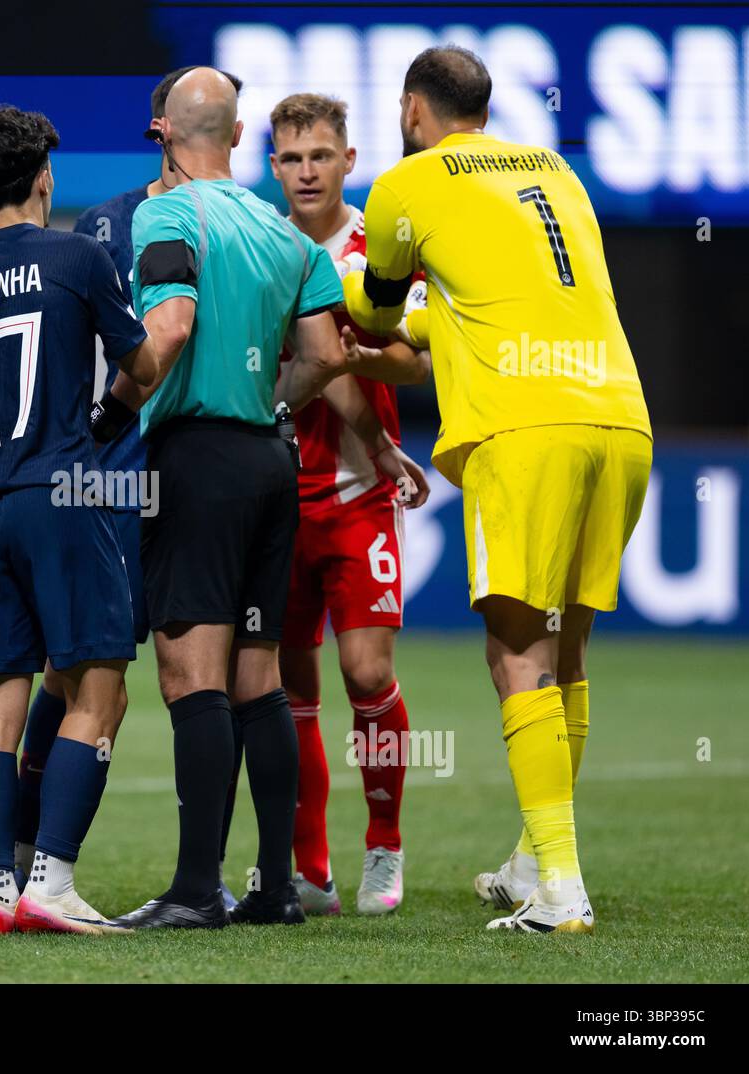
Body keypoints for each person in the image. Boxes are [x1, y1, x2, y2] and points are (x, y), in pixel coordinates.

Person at [96, 68, 427, 929]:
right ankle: (278, 887)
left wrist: (111, 413)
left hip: (196, 461)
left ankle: (197, 888)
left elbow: (166, 329)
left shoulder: (164, 214)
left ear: (162, 133)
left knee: (188, 677)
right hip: (272, 465)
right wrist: (271, 401)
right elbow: (325, 356)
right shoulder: (292, 243)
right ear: (241, 138)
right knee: (261, 682)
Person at [343, 46, 652, 933]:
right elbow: (530, 295)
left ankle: (560, 888)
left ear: (413, 110)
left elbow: (373, 310)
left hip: (524, 427)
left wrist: (374, 314)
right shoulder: (554, 169)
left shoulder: (410, 181)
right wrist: (442, 318)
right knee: (566, 650)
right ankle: (530, 861)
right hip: (619, 416)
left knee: (515, 656)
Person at [0, 64, 246, 919]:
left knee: (208, 674)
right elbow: (131, 351)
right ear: (161, 127)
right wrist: (100, 429)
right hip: (103, 484)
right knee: (78, 677)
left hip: (190, 472)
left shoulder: (232, 217)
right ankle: (30, 867)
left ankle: (211, 877)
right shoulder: (106, 227)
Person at [0, 104, 158, 935]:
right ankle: (50, 882)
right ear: (44, 176)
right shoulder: (81, 258)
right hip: (65, 492)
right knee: (101, 688)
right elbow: (143, 365)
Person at [267, 92, 431, 916]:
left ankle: (385, 848)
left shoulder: (380, 251)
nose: (306, 171)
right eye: (292, 158)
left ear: (347, 161)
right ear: (272, 167)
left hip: (360, 495)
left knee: (367, 672)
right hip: (271, 497)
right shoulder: (256, 244)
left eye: (320, 156)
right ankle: (311, 868)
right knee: (290, 688)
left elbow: (416, 359)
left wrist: (347, 352)